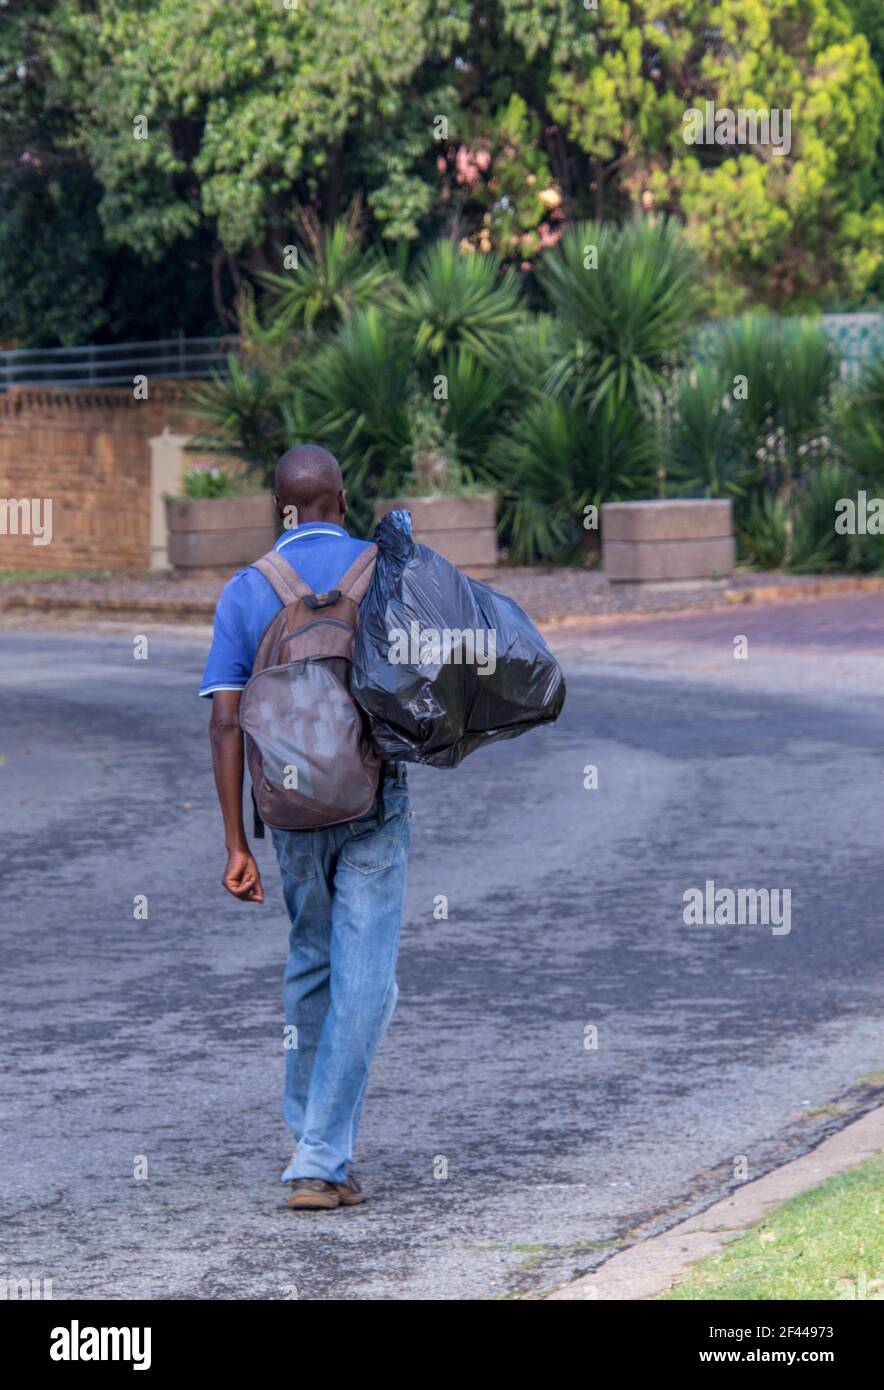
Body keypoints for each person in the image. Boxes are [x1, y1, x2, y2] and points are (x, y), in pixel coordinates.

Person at [200, 444, 412, 1211]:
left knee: (313, 963)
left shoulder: (247, 591)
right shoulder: (383, 570)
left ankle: (314, 1136)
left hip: (287, 812)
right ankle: (320, 1156)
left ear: (279, 510)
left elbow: (227, 722)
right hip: (372, 803)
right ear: (342, 502)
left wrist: (235, 843)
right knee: (369, 981)